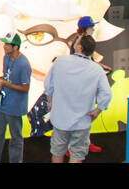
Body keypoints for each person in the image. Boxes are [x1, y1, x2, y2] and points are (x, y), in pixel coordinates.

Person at [44, 34, 112, 163]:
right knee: (77, 155)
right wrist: (98, 111)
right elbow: (106, 94)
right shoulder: (97, 69)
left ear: (79, 47)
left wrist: (50, 102)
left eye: (76, 42)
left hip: (60, 118)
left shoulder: (60, 61)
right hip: (83, 120)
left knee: (57, 152)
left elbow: (48, 86)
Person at [0, 34, 32, 164]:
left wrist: (4, 84)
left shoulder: (24, 64)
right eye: (4, 43)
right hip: (1, 103)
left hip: (15, 106)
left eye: (7, 44)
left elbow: (25, 88)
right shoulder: (6, 57)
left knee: (16, 138)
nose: (4, 46)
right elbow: (7, 77)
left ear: (15, 47)